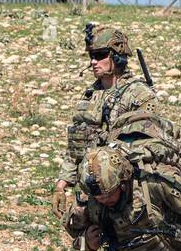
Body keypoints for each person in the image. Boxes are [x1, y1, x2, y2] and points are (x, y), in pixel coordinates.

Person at [52, 25, 156, 220]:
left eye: (100, 55)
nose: (93, 62)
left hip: (129, 192)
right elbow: (77, 146)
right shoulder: (91, 96)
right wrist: (61, 185)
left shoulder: (139, 95)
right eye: (91, 56)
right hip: (96, 187)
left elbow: (149, 148)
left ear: (116, 57)